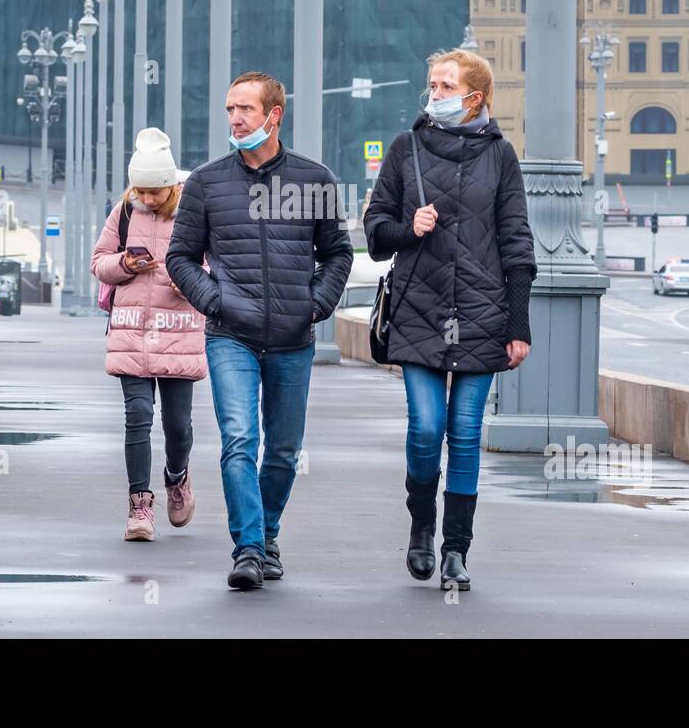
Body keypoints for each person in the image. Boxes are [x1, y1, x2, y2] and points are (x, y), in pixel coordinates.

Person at [167, 71, 353, 591]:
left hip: (294, 337)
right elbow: (179, 257)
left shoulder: (313, 180)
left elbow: (338, 253)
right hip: (231, 334)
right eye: (229, 109)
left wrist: (315, 304)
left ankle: (268, 533)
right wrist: (213, 300)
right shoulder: (206, 182)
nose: (235, 119)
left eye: (245, 109)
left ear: (274, 115)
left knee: (285, 450)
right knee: (240, 439)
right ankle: (248, 548)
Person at [363, 48, 536, 593]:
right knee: (426, 428)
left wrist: (519, 324)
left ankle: (456, 550)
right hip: (419, 311)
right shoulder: (405, 148)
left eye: (443, 86)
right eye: (432, 85)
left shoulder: (501, 157)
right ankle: (421, 529)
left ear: (473, 97)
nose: (433, 94)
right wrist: (407, 227)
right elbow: (374, 231)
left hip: (483, 316)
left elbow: (517, 244)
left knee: (464, 434)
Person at [91, 128, 207, 541]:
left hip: (178, 332)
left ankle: (177, 476)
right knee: (137, 418)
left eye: (154, 192)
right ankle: (140, 504)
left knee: (178, 425)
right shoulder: (124, 211)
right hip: (131, 333)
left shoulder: (195, 209)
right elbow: (99, 262)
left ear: (170, 186)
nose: (147, 199)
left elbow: (217, 265)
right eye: (140, 191)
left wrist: (189, 280)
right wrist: (125, 263)